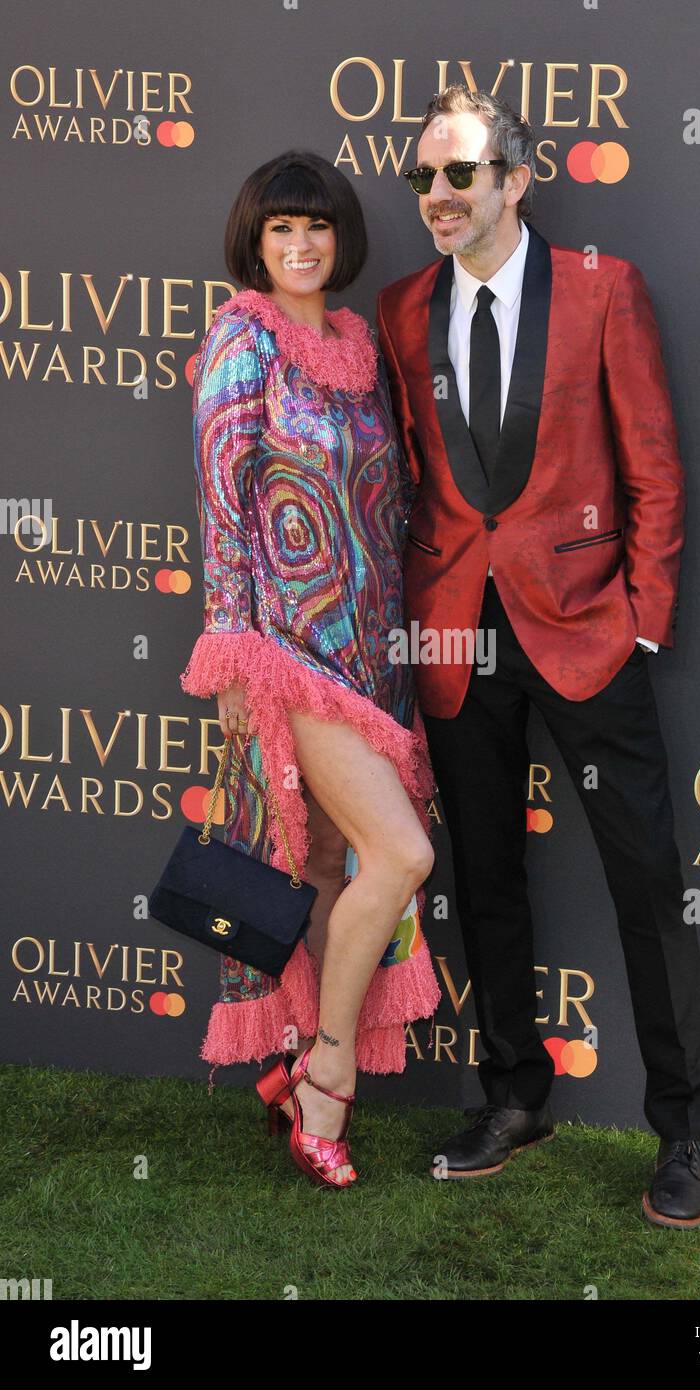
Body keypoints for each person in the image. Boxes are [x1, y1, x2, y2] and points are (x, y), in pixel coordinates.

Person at [376, 86, 700, 1226]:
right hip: (453, 629)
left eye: (459, 174)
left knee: (645, 881)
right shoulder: (400, 307)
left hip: (584, 625)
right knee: (484, 879)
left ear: (514, 181)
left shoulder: (599, 290)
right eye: (424, 176)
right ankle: (512, 1094)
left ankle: (679, 1129)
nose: (437, 195)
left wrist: (644, 616)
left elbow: (654, 471)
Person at [180, 150, 439, 1188]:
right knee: (403, 856)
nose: (300, 245)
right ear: (256, 239)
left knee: (330, 871)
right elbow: (222, 499)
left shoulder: (360, 345)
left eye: (317, 226)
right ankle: (327, 1078)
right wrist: (237, 655)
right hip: (288, 659)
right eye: (281, 227)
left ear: (341, 238)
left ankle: (297, 1060)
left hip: (369, 657)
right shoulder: (242, 336)